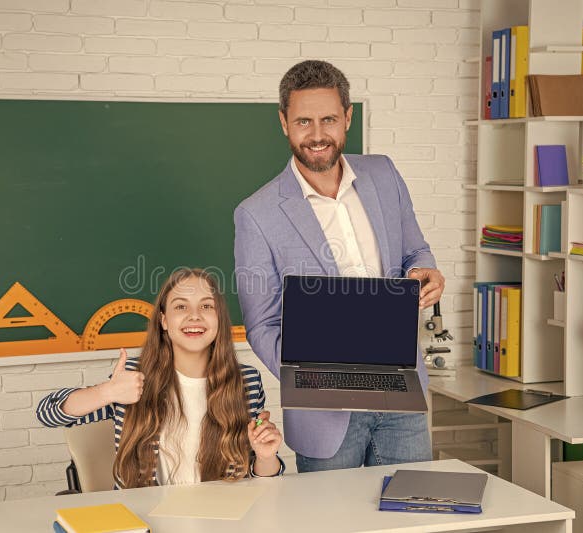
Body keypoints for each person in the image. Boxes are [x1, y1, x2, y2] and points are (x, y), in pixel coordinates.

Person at [234, 60, 446, 473]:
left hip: (403, 390)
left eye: (329, 119)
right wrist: (312, 378)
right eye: (303, 122)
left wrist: (426, 271)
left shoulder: (383, 173)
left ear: (348, 116)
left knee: (412, 514)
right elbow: (261, 324)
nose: (316, 135)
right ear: (283, 122)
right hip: (324, 412)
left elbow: (415, 251)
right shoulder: (256, 214)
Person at [37, 268, 284, 488]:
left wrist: (265, 456)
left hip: (222, 516)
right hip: (146, 515)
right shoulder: (133, 378)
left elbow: (258, 481)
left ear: (219, 319)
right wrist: (107, 393)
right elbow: (48, 413)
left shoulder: (246, 381)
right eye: (181, 306)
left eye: (207, 306)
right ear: (164, 321)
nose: (194, 315)